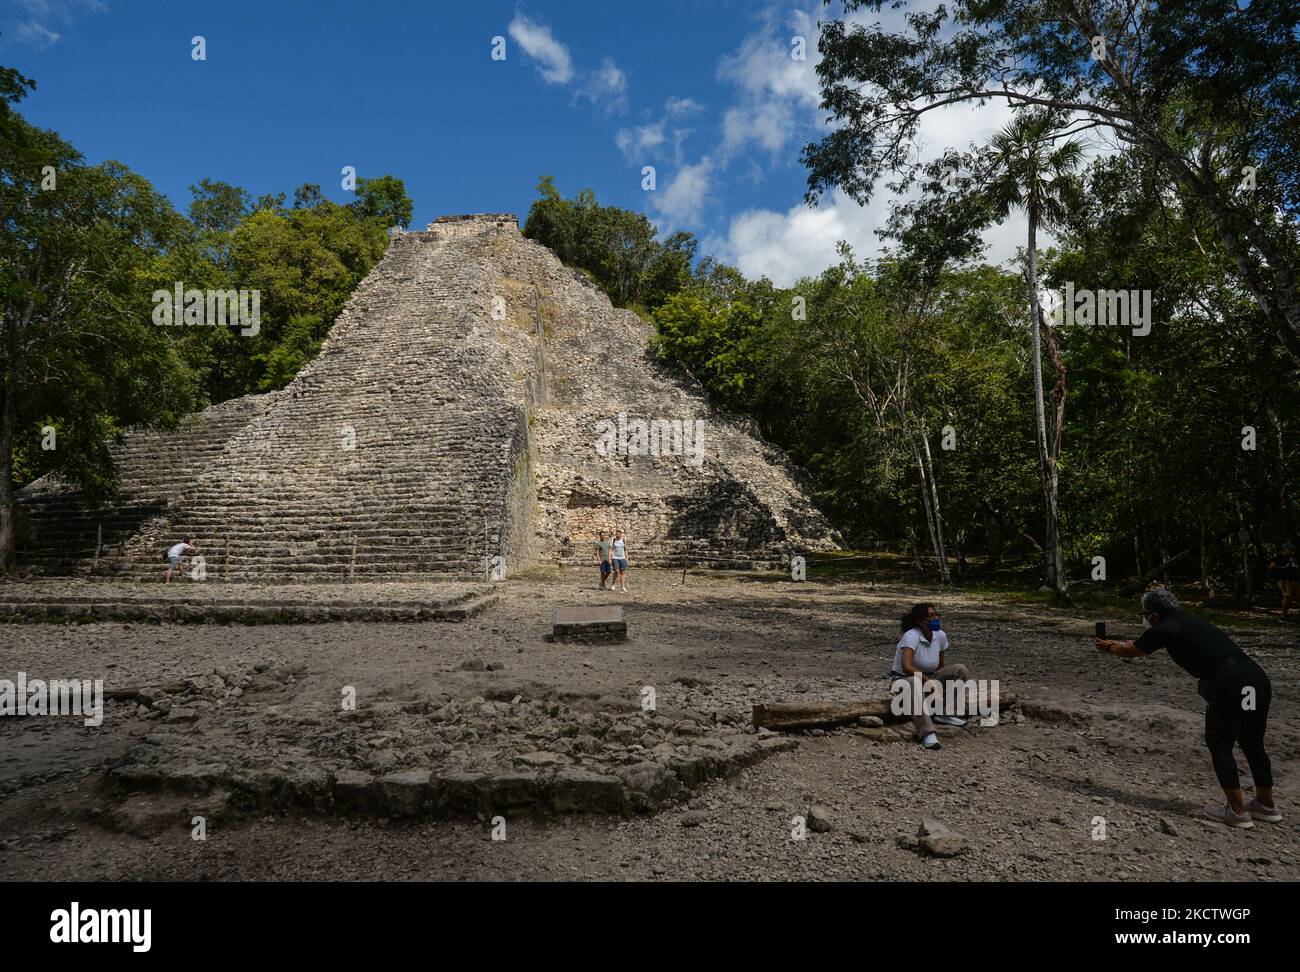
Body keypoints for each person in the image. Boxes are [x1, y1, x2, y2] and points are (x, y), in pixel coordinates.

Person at [1095, 587, 1279, 828]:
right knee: (1253, 744)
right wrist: (1117, 643)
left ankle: (1236, 811)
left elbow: (1131, 650)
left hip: (1229, 684)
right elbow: (1136, 643)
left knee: (1220, 744)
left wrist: (1108, 646)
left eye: (1144, 613)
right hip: (1255, 680)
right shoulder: (1190, 623)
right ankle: (1266, 805)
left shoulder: (1163, 628)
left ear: (1154, 615)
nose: (1143, 617)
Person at [890, 602, 973, 751]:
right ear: (919, 620)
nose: (935, 619)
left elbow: (940, 665)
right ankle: (927, 732)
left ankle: (945, 713)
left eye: (936, 615)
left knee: (960, 669)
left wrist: (938, 687)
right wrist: (930, 682)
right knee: (914, 681)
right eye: (930, 616)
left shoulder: (940, 635)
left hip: (928, 678)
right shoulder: (911, 636)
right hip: (903, 681)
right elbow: (906, 667)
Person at [1267, 542, 1299, 624]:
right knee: (1287, 596)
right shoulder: (1279, 558)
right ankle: (1283, 616)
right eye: (1290, 550)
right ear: (1285, 550)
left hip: (1294, 580)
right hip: (1284, 580)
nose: (1292, 551)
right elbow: (1271, 567)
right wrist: (1282, 567)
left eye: (1292, 550)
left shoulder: (1293, 558)